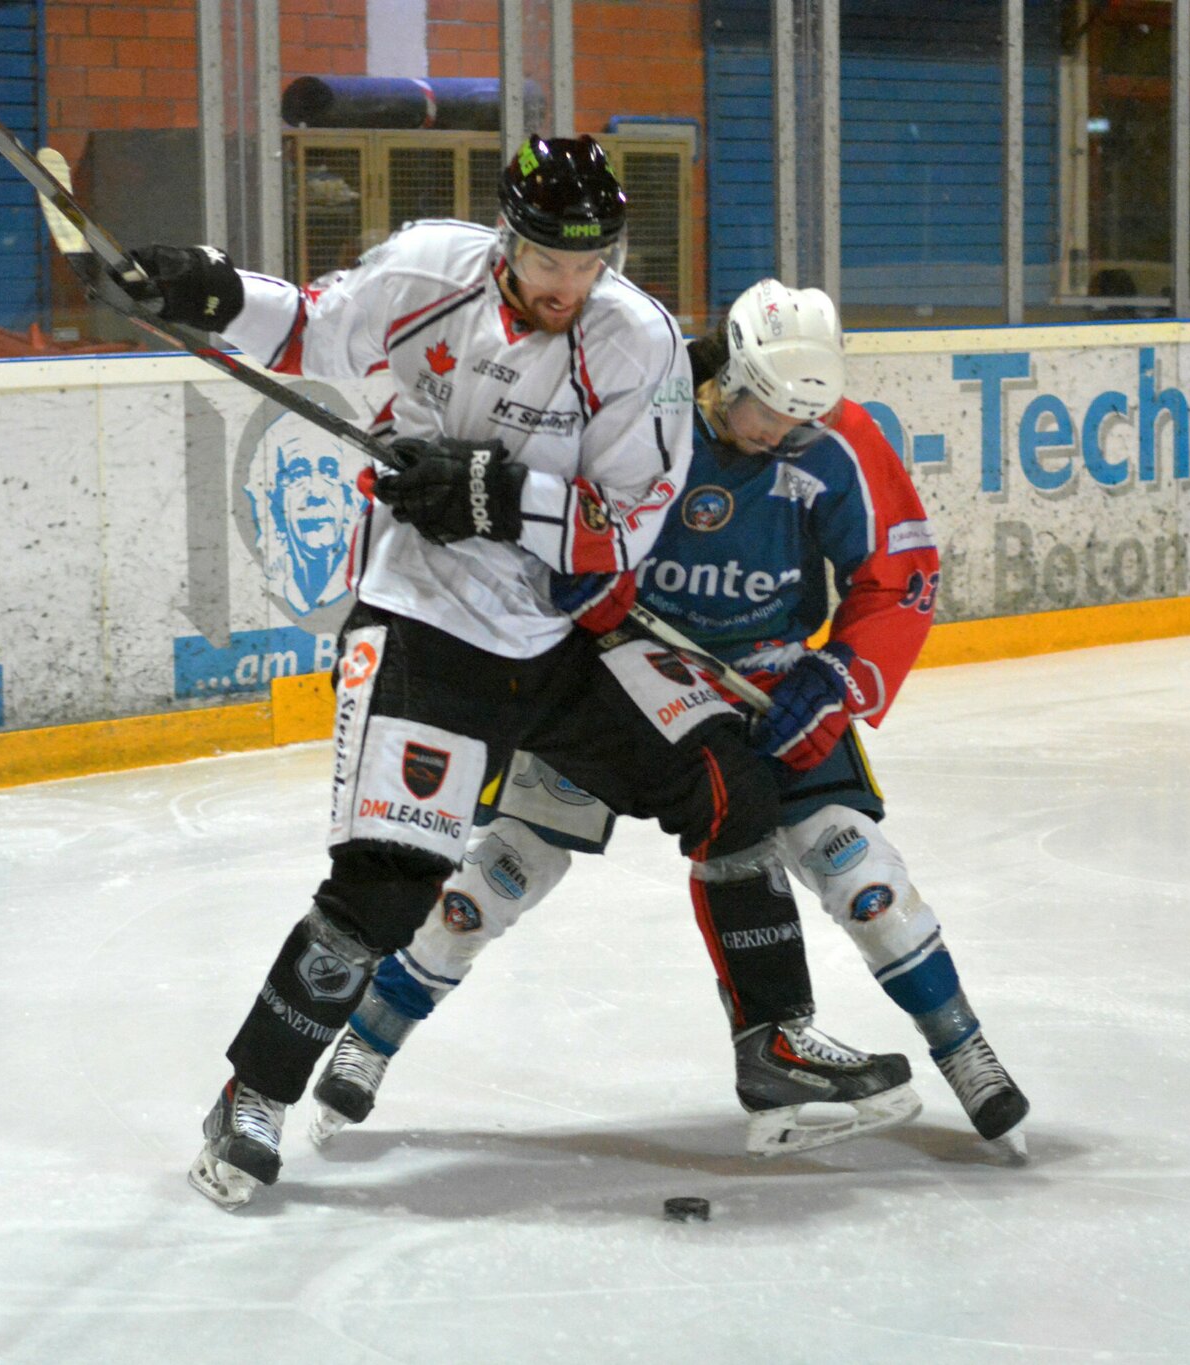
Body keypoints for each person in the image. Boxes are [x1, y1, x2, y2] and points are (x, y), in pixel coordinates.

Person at [127, 136, 911, 1210]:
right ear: (508, 238)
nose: (567, 286)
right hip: (425, 630)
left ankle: (773, 1043)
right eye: (548, 261)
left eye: (589, 265)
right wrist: (210, 290)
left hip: (556, 640)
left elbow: (630, 526)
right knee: (386, 880)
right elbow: (311, 324)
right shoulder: (423, 274)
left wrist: (494, 495)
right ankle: (251, 1095)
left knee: (730, 785)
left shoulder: (629, 342)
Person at [307, 279, 1031, 1151]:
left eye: (798, 421)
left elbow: (901, 575)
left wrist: (841, 675)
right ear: (725, 368)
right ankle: (370, 1039)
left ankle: (967, 1051)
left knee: (861, 871)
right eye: (761, 406)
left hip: (772, 684)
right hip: (619, 675)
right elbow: (545, 522)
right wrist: (571, 576)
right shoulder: (633, 411)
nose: (775, 433)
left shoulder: (842, 440)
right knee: (501, 871)